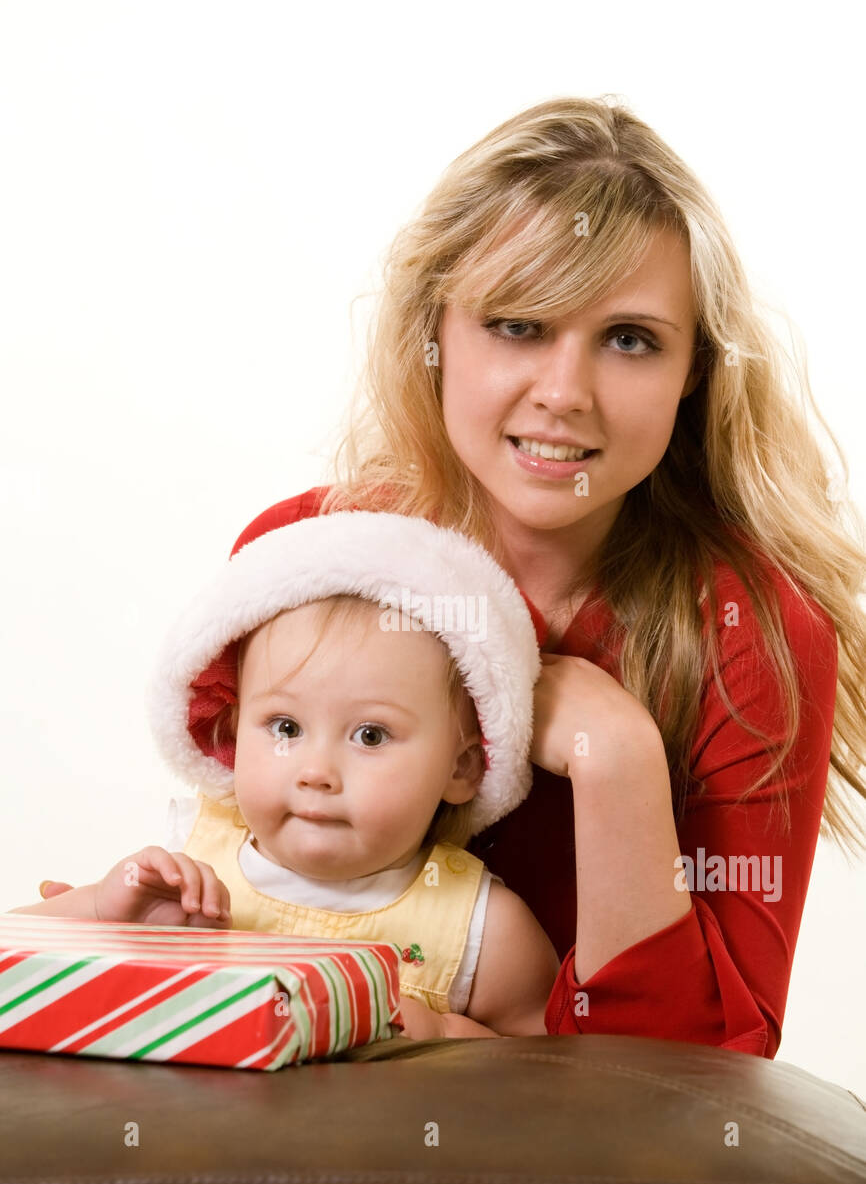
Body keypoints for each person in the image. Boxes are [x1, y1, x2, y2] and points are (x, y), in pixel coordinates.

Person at [38, 96, 866, 1057]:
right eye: (517, 325)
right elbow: (244, 873)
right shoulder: (311, 556)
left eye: (631, 338)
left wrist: (620, 766)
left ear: (694, 371)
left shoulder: (751, 631)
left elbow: (700, 1079)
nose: (564, 393)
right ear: (437, 329)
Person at [11, 511, 562, 1040]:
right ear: (232, 732)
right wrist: (105, 912)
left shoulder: (481, 931)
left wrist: (443, 1031)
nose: (316, 772)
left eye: (370, 735)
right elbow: (19, 947)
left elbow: (552, 1070)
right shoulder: (191, 866)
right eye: (285, 727)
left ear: (462, 767)